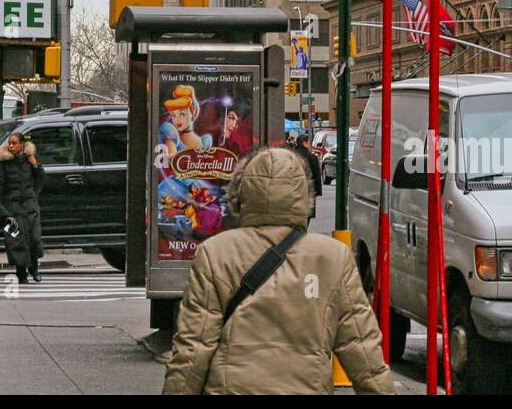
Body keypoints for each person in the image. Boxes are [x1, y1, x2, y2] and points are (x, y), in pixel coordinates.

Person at [163, 146, 392, 395]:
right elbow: (361, 349)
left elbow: (193, 347)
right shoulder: (332, 258)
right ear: (304, 196)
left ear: (242, 194)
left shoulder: (217, 253)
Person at [0, 131, 45, 284]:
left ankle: (34, 268)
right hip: (13, 206)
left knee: (34, 237)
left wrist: (35, 165)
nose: (11, 146)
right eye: (10, 143)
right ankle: (21, 272)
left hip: (29, 205)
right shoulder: (4, 162)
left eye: (14, 143)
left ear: (22, 144)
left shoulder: (30, 159)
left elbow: (40, 179)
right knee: (16, 240)